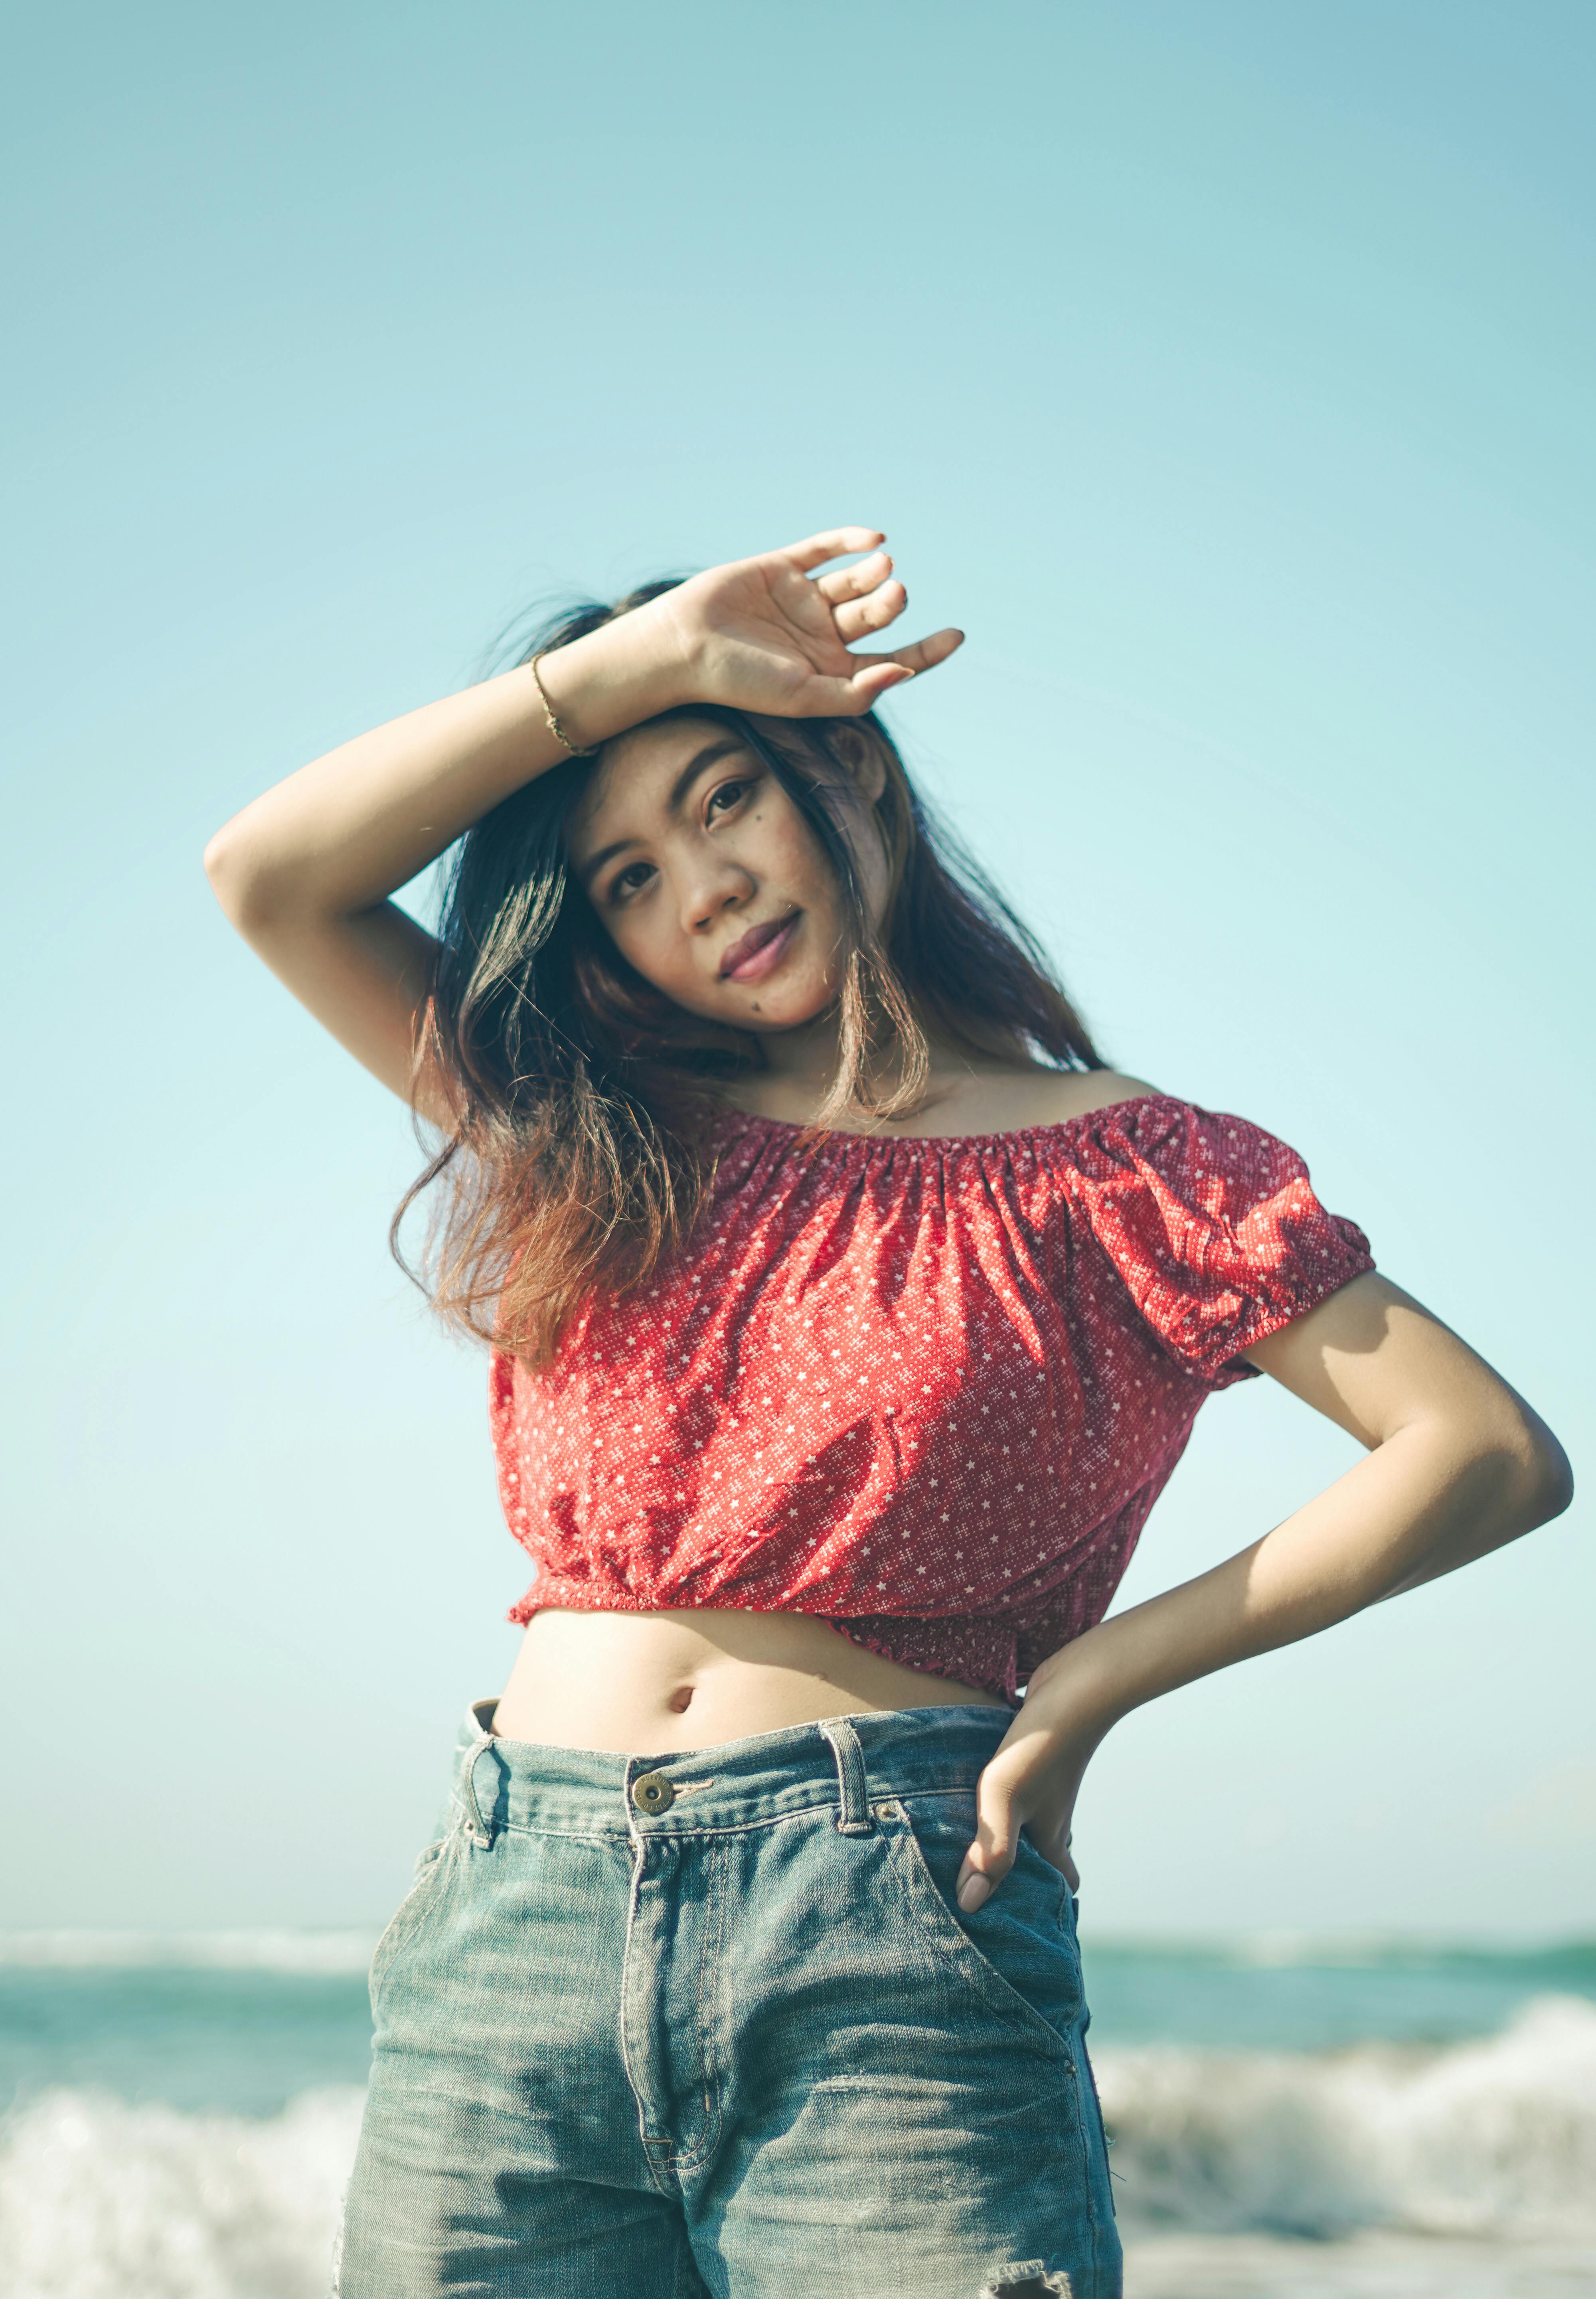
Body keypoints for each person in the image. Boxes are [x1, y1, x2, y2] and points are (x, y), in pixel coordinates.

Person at [204, 526, 1571, 2299]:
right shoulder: (595, 1126)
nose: (702, 891)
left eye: (724, 801)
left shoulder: (1126, 1169)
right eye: (626, 879)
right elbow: (270, 876)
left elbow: (1481, 1452)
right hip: (518, 1921)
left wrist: (1093, 1681)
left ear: (844, 773)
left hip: (896, 1933)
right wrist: (633, 668)